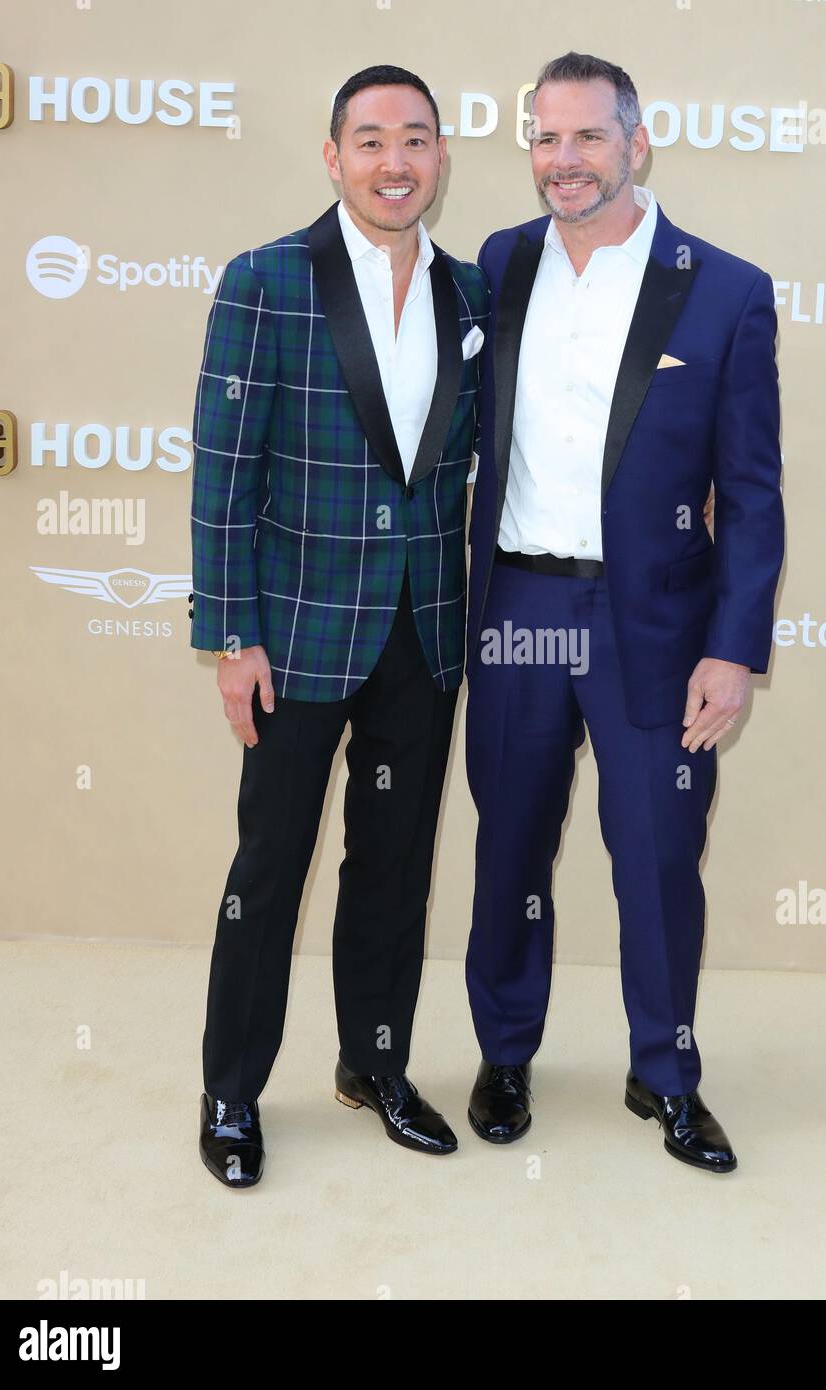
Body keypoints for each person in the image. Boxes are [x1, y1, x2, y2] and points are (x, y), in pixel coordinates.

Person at [463, 51, 784, 1173]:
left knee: (655, 859)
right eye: (545, 139)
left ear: (635, 143)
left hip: (651, 616)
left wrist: (733, 648)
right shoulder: (498, 266)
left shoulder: (727, 289)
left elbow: (750, 492)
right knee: (508, 849)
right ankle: (504, 1055)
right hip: (514, 601)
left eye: (586, 137)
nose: (564, 160)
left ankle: (667, 1075)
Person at [189, 65, 487, 1188]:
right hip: (296, 633)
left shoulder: (469, 296)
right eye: (370, 140)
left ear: (440, 158)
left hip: (422, 628)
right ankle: (229, 1092)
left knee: (395, 867)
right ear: (332, 157)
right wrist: (230, 636)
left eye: (415, 140)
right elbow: (221, 471)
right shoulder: (266, 280)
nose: (394, 161)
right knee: (269, 868)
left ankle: (375, 1066)